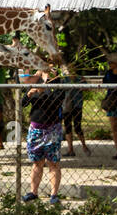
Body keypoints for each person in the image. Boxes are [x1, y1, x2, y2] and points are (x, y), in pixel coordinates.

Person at [23, 68, 67, 203]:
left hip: (52, 129)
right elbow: (22, 103)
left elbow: (58, 100)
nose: (45, 73)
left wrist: (51, 81)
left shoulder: (57, 85)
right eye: (43, 70)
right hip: (36, 129)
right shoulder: (34, 85)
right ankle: (33, 192)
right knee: (37, 163)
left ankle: (54, 194)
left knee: (53, 163)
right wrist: (30, 94)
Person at [62, 76, 91, 158]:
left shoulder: (80, 79)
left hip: (77, 104)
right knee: (67, 127)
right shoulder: (64, 79)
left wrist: (83, 87)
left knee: (77, 127)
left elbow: (87, 88)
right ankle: (70, 149)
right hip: (67, 105)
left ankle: (84, 146)